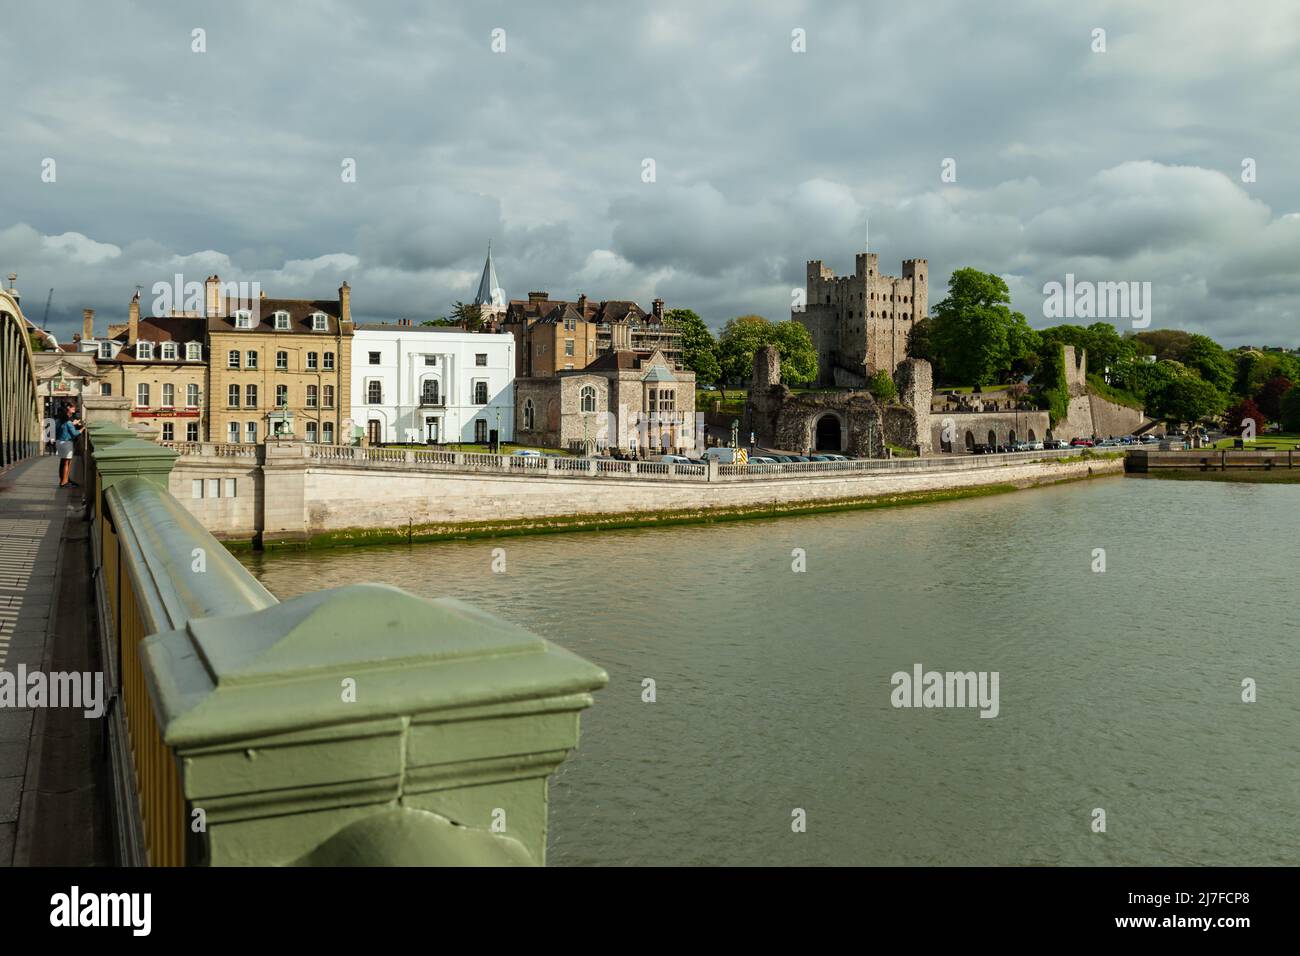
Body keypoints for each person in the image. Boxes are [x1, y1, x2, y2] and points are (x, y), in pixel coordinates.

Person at [55, 401, 83, 488]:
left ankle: (64, 479)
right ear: (68, 409)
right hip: (67, 443)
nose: (74, 408)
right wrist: (82, 428)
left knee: (63, 461)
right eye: (72, 407)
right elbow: (74, 433)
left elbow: (61, 429)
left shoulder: (59, 420)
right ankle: (64, 482)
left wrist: (73, 424)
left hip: (60, 442)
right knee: (67, 462)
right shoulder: (68, 422)